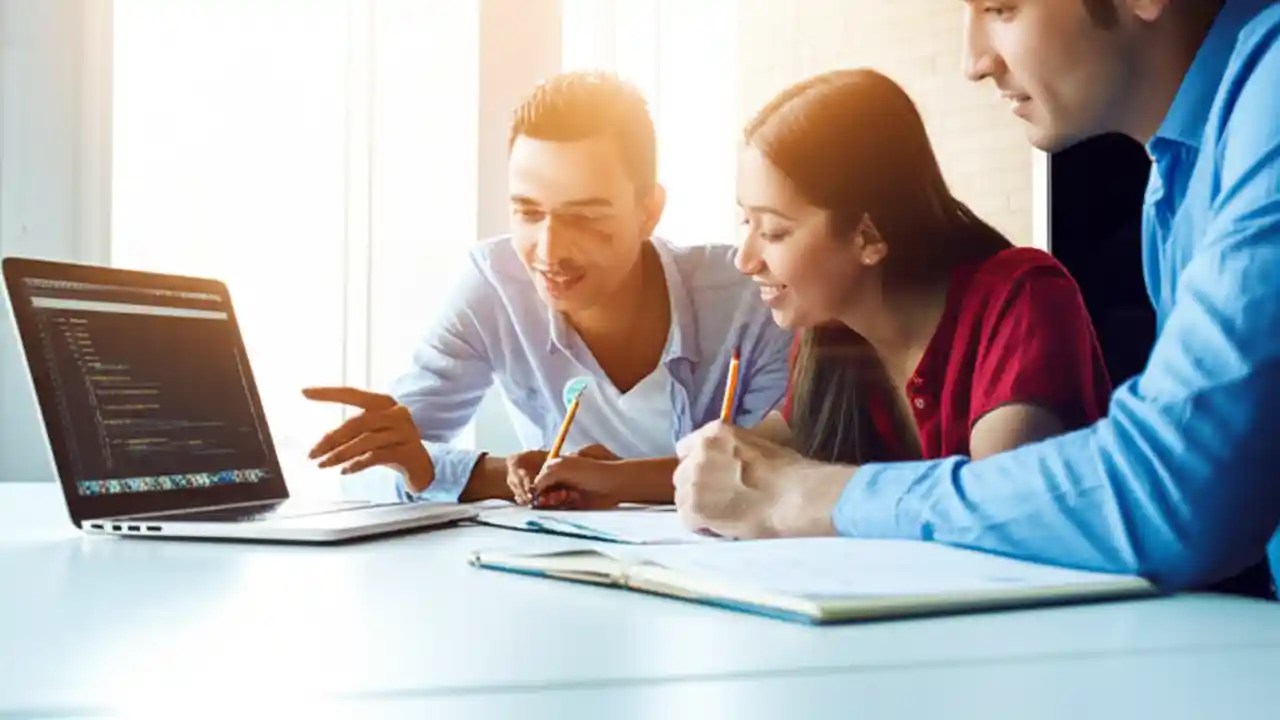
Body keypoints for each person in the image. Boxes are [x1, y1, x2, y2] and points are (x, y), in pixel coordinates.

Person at [673, 0, 1280, 599]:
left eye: (1002, 8)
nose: (973, 60)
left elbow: (1174, 490)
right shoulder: (1177, 181)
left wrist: (809, 495)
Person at [305, 71, 790, 509]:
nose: (549, 250)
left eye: (584, 217)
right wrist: (490, 474)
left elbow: (772, 471)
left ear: (648, 211)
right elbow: (378, 469)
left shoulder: (751, 296)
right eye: (528, 212)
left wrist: (614, 481)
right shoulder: (496, 285)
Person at [729, 69, 1110, 480]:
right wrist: (720, 455)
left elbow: (997, 504)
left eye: (773, 231)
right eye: (745, 222)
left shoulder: (1023, 298)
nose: (745, 260)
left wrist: (796, 489)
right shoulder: (831, 338)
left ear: (867, 236)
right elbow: (764, 449)